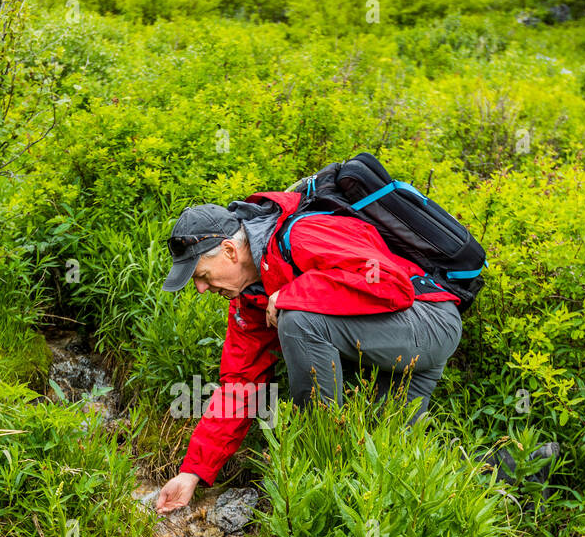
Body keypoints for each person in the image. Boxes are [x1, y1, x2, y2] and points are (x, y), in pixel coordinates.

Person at [153, 186, 465, 515]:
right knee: (378, 472)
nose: (201, 288)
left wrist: (291, 294)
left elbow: (389, 283)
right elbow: (242, 387)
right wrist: (192, 473)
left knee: (298, 319)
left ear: (230, 250)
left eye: (202, 275)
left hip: (427, 322)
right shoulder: (249, 299)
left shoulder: (302, 234)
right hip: (395, 355)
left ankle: (315, 458)